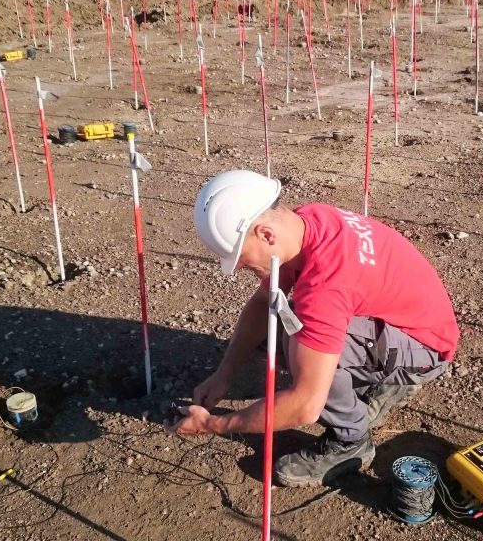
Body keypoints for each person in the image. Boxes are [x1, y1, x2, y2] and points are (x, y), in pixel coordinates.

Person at [172, 170, 460, 487]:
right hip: (404, 323)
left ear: (266, 235)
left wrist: (214, 424)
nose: (241, 267)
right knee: (286, 329)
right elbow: (263, 303)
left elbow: (306, 404)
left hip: (426, 348)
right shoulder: (308, 221)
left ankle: (351, 441)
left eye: (240, 258)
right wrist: (224, 374)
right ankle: (372, 385)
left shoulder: (325, 288)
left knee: (302, 339)